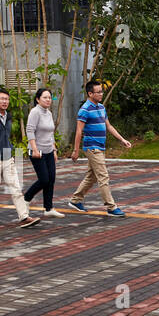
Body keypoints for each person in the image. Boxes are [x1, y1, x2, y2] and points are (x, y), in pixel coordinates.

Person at [0, 87, 41, 228]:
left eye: (7, 99)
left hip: (7, 158)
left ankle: (24, 216)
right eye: (2, 99)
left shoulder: (8, 117)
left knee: (16, 187)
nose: (5, 102)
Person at [68, 79, 133, 217]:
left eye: (101, 91)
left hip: (100, 147)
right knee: (103, 176)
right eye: (98, 92)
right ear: (90, 93)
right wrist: (76, 150)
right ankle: (111, 207)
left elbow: (108, 126)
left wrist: (122, 139)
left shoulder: (101, 107)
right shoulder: (84, 110)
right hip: (92, 147)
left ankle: (75, 200)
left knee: (91, 176)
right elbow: (79, 131)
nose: (101, 94)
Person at [23, 87, 62, 217]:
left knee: (51, 179)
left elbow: (51, 133)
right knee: (44, 180)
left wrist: (54, 150)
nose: (48, 100)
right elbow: (30, 131)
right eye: (45, 97)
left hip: (49, 151)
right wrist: (34, 149)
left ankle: (48, 208)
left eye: (50, 97)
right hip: (37, 151)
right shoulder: (35, 112)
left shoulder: (48, 113)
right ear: (38, 99)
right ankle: (26, 199)